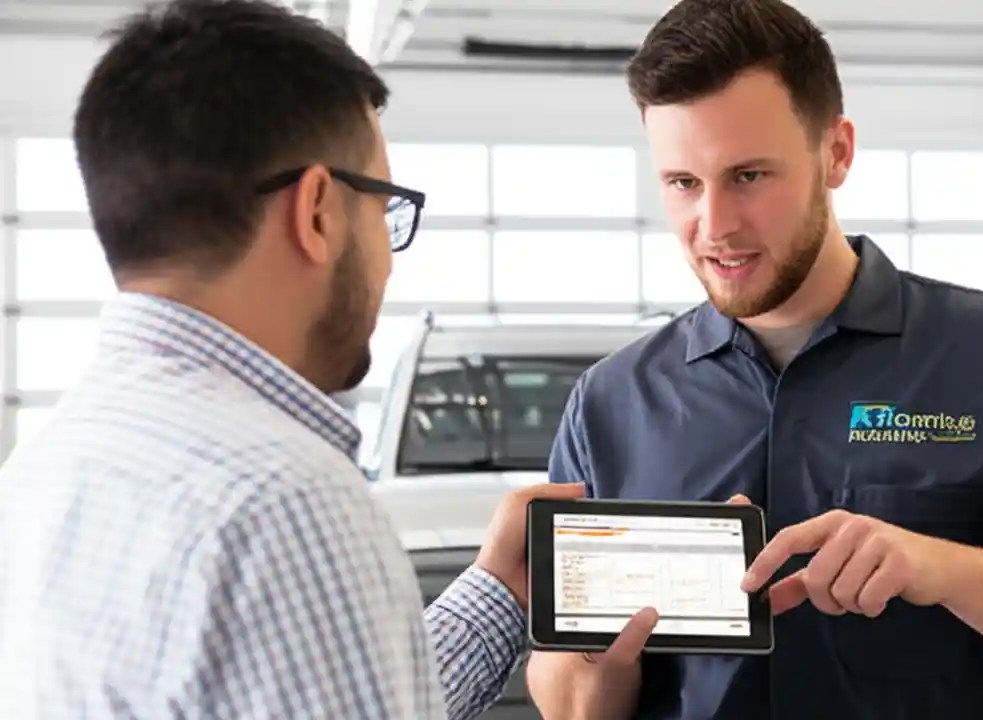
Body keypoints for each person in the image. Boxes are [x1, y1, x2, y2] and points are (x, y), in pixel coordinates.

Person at [526, 1, 983, 718]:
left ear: (836, 152)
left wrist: (942, 567)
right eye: (683, 183)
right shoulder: (612, 401)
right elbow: (567, 691)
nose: (714, 226)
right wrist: (595, 668)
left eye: (749, 176)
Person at [0, 1, 655, 718]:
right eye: (384, 210)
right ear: (317, 210)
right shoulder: (286, 501)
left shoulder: (42, 473)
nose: (388, 262)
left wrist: (497, 590)